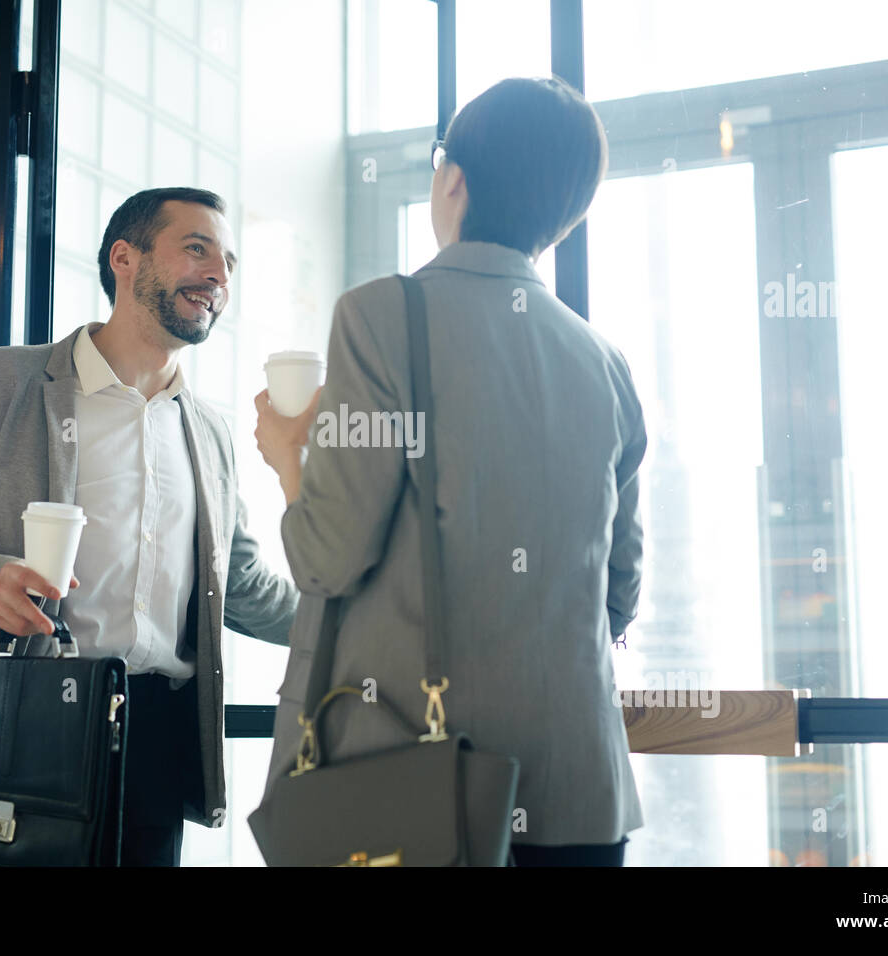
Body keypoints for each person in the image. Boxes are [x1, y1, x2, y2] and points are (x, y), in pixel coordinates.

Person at [253, 78, 645, 866]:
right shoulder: (605, 363)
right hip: (580, 800)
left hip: (416, 798)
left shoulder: (379, 316)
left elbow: (328, 556)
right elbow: (620, 588)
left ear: (453, 179)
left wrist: (286, 455)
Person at [0, 187, 298, 867]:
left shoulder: (209, 433)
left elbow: (240, 584)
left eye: (230, 263)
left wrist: (357, 620)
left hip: (154, 739)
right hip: (23, 724)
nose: (219, 276)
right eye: (197, 249)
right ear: (125, 258)